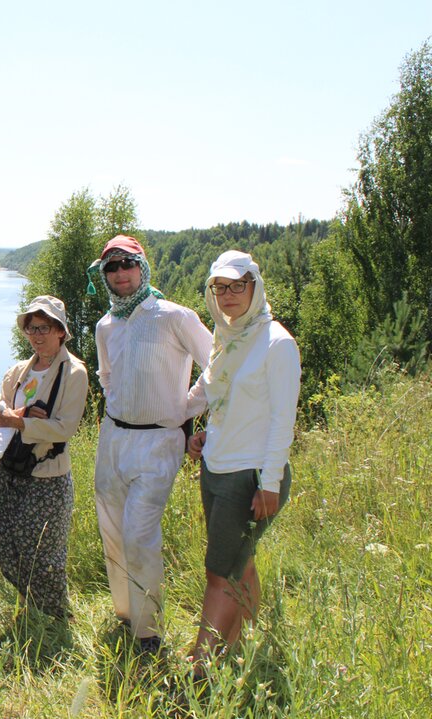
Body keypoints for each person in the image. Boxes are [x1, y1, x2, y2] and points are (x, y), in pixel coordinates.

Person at [87, 235, 212, 654]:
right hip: (114, 437)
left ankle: (148, 632)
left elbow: (218, 364)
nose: (120, 273)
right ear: (104, 275)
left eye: (127, 264)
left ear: (142, 267)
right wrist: (115, 402)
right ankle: (127, 612)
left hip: (158, 440)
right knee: (112, 527)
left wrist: (186, 406)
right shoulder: (106, 325)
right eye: (111, 267)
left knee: (139, 533)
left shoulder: (174, 316)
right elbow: (106, 375)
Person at [185, 250, 299, 668]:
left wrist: (270, 483)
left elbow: (282, 421)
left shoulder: (277, 343)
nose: (229, 294)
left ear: (255, 287)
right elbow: (223, 401)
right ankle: (241, 646)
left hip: (249, 476)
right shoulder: (226, 338)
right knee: (240, 562)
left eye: (238, 285)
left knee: (219, 572)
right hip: (216, 467)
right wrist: (205, 436)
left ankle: (200, 668)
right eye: (220, 287)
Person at [0, 295, 89, 619]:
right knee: (4, 542)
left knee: (45, 555)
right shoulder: (19, 370)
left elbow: (65, 428)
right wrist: (14, 415)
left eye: (44, 328)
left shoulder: (74, 373)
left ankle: (55, 618)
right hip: (12, 471)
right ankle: (31, 608)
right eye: (31, 328)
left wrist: (19, 422)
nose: (37, 335)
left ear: (60, 331)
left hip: (48, 477)